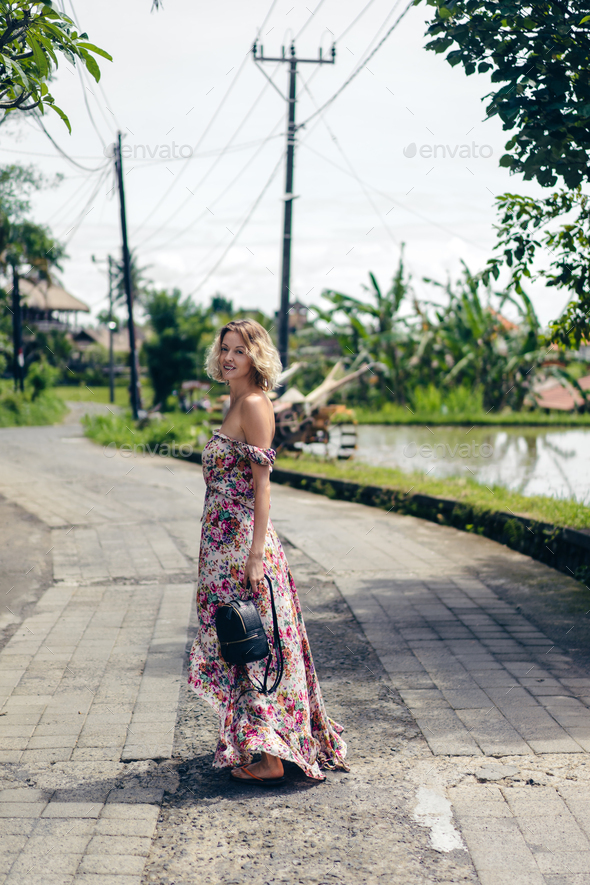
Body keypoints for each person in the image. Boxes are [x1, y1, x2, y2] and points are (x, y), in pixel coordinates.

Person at [188, 319, 348, 785]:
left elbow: (263, 488)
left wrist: (256, 555)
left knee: (256, 642)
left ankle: (272, 756)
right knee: (238, 640)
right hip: (221, 547)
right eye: (224, 349)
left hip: (243, 546)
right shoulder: (234, 402)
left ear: (255, 356)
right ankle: (261, 745)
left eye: (239, 350)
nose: (229, 357)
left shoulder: (255, 404)